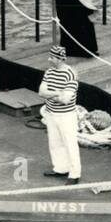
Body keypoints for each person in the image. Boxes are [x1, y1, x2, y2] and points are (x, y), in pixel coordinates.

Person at [38, 45, 80, 184]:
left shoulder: (70, 74)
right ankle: (60, 168)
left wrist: (50, 95)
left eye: (52, 57)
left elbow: (65, 99)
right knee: (55, 142)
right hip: (51, 113)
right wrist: (57, 92)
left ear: (59, 59)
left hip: (66, 115)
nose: (49, 60)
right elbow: (41, 92)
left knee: (70, 143)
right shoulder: (49, 72)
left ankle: (74, 174)